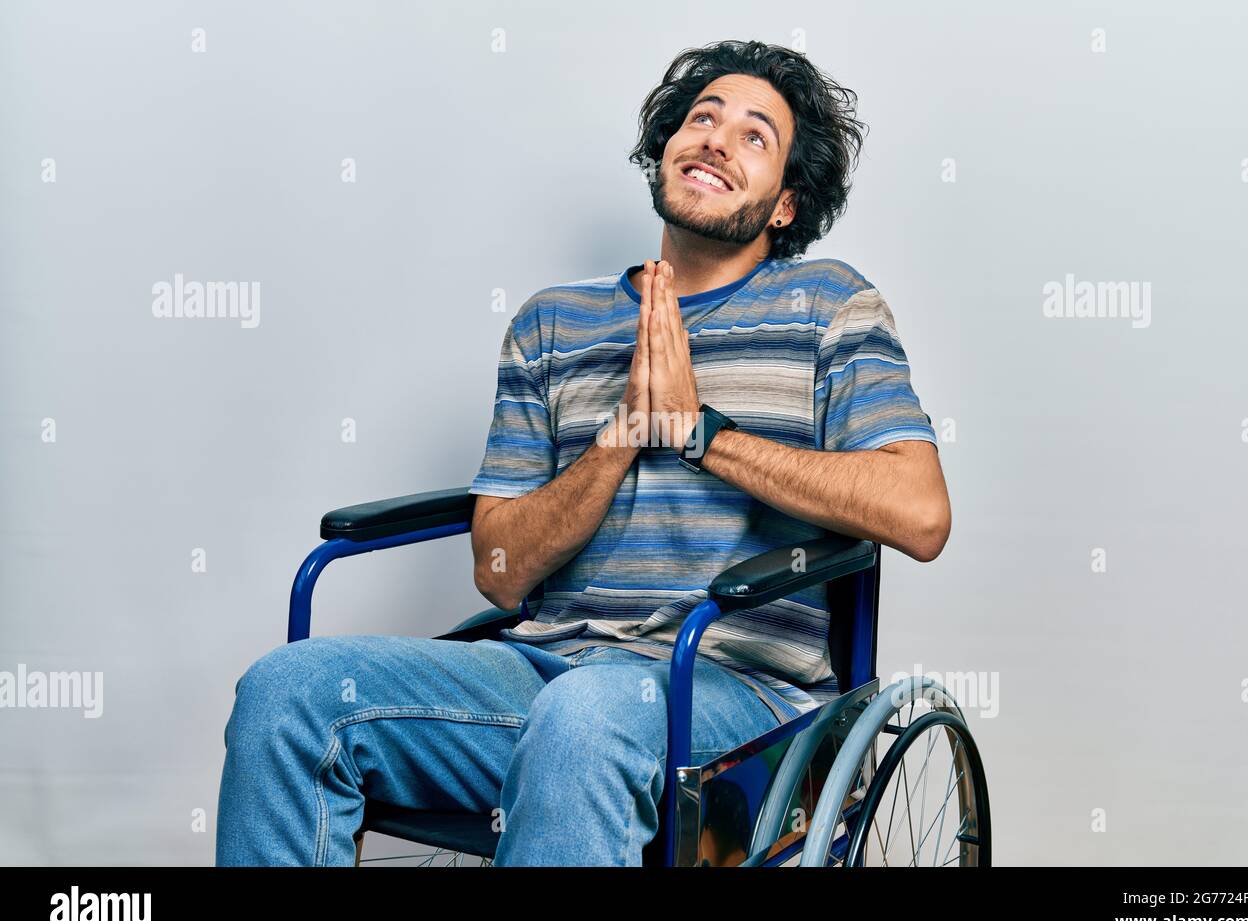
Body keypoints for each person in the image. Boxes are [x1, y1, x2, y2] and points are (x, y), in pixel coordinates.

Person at [216, 38, 950, 867]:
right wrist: (619, 439)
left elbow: (919, 515)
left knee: (589, 715)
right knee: (288, 694)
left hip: (737, 699)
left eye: (754, 136)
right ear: (666, 148)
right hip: (542, 673)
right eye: (701, 118)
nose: (713, 138)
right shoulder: (552, 326)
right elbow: (500, 572)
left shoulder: (830, 307)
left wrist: (700, 433)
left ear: (784, 204)